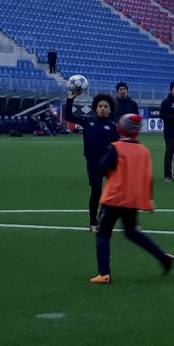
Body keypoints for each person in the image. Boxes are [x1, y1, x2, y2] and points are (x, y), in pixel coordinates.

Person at [89, 113, 174, 284]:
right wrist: (149, 199)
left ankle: (104, 273)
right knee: (132, 232)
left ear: (120, 128)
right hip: (132, 199)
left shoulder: (115, 148)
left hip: (114, 198)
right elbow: (147, 177)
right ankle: (163, 258)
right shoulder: (144, 151)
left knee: (102, 234)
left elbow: (100, 170)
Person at [61, 75, 118, 232]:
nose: (102, 108)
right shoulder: (88, 121)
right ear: (95, 108)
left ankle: (102, 218)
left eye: (106, 106)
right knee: (96, 191)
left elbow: (118, 146)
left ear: (110, 109)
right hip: (93, 163)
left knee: (111, 193)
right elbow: (68, 117)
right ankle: (93, 221)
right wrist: (70, 99)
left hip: (110, 164)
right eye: (100, 106)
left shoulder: (113, 126)